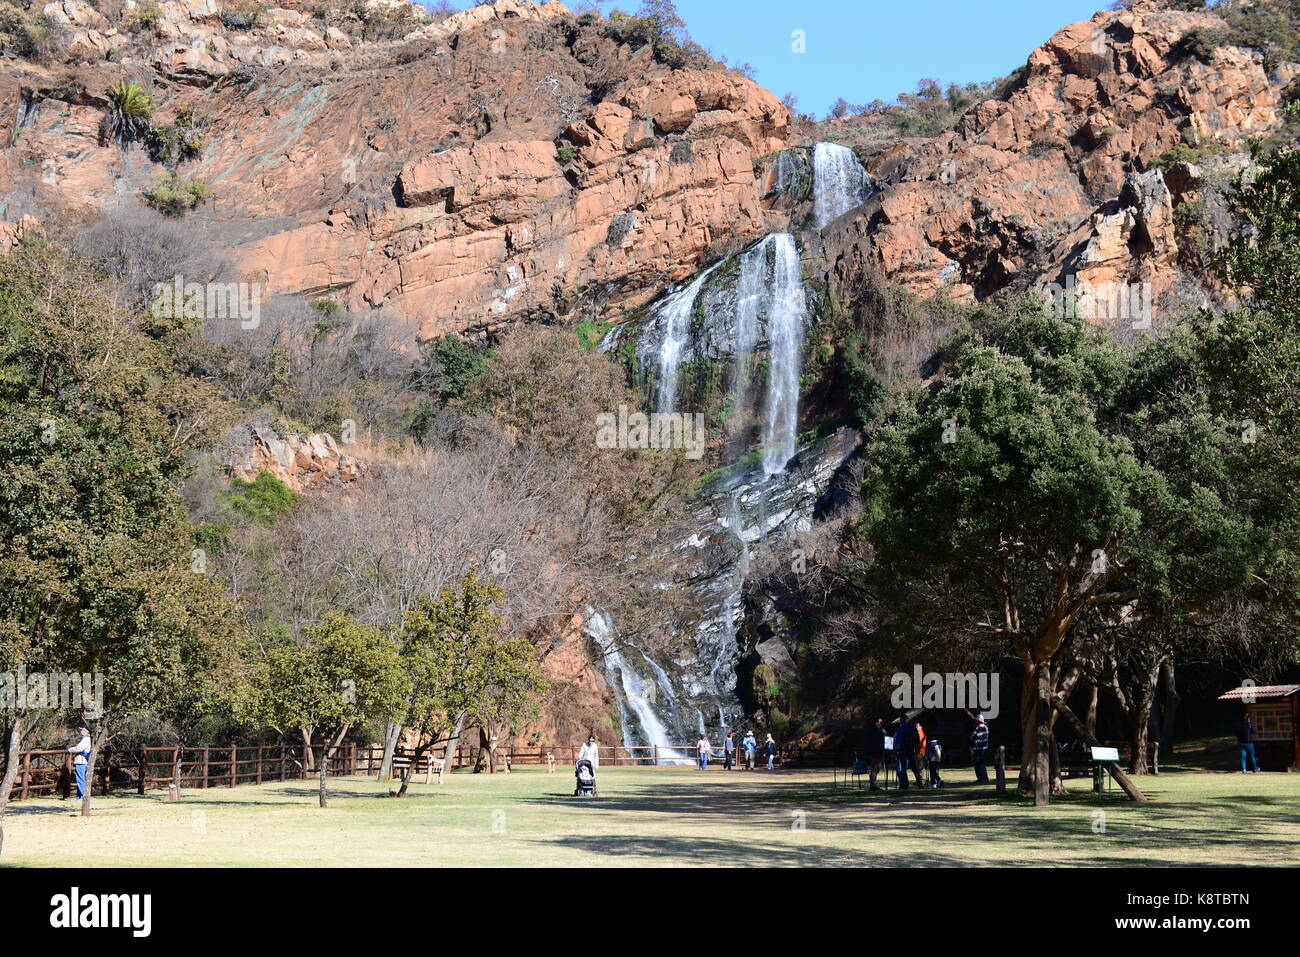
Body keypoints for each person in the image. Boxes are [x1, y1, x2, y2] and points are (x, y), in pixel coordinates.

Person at [67, 725, 91, 801]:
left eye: (82, 730)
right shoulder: (86, 739)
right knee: (81, 779)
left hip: (81, 761)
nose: (81, 731)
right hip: (82, 761)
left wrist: (70, 749)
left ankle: (83, 797)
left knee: (80, 779)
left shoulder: (86, 739)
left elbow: (79, 748)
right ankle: (80, 796)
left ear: (86, 731)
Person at [865, 718, 886, 790]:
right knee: (875, 768)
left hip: (876, 751)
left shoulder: (878, 731)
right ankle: (873, 785)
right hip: (875, 752)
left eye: (882, 722)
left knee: (876, 768)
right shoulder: (875, 731)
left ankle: (873, 784)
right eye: (880, 722)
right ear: (876, 723)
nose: (881, 724)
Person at [894, 715, 913, 789]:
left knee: (900, 769)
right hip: (908, 750)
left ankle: (903, 784)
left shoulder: (901, 729)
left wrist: (896, 748)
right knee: (904, 769)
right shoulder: (911, 727)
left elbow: (898, 741)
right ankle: (906, 784)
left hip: (902, 750)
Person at [970, 714, 990, 784]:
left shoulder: (978, 727)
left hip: (978, 748)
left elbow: (973, 737)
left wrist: (974, 729)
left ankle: (980, 778)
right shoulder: (986, 727)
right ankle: (985, 777)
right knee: (983, 763)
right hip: (985, 748)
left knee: (978, 764)